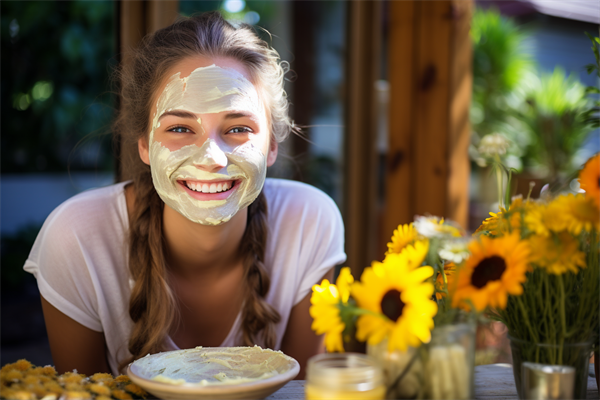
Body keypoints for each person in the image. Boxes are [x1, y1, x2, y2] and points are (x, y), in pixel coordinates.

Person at [24, 12, 345, 379]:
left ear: (271, 145)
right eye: (180, 128)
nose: (211, 158)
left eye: (238, 128)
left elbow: (299, 392)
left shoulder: (310, 222)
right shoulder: (77, 238)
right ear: (144, 145)